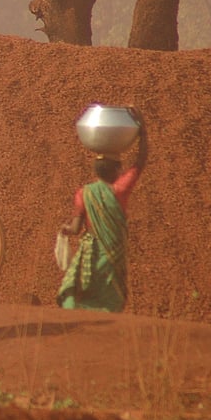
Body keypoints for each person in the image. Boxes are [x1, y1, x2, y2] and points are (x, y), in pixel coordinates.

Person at [57, 109, 148, 313]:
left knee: (79, 284)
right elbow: (140, 162)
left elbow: (76, 227)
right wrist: (143, 131)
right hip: (113, 251)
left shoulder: (84, 193)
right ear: (117, 171)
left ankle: (74, 314)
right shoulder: (120, 190)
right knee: (109, 289)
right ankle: (106, 319)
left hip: (91, 250)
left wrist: (66, 230)